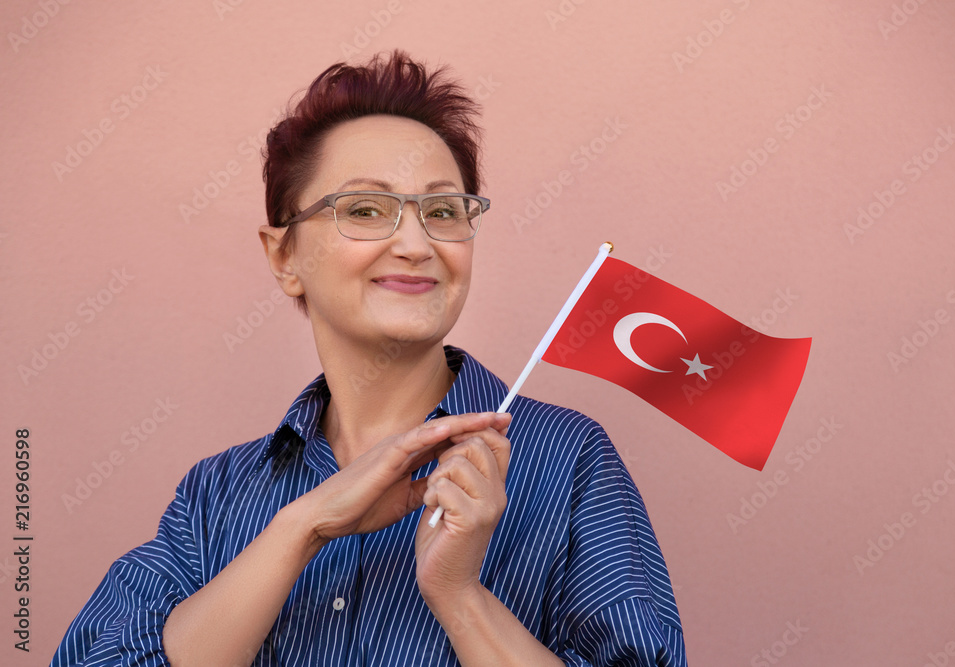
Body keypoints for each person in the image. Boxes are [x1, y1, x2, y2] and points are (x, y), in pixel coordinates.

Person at [51, 50, 687, 666]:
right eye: (363, 210)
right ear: (284, 258)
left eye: (442, 211)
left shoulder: (567, 460)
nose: (415, 243)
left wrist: (460, 598)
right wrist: (302, 529)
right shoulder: (217, 495)